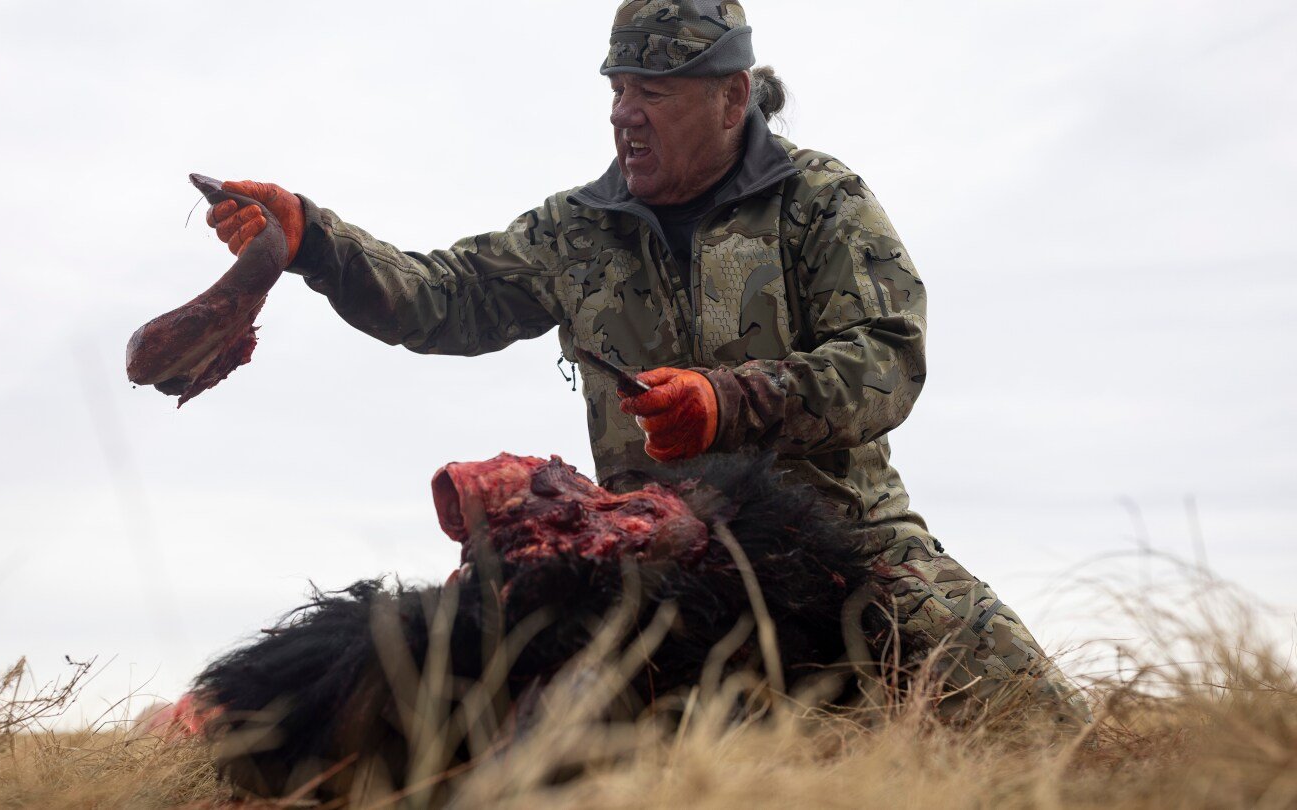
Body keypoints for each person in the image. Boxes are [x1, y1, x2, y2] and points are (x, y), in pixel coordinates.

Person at [205, 0, 1091, 730]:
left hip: (845, 542)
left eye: (654, 92)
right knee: (440, 696)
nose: (625, 112)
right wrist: (313, 240)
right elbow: (444, 300)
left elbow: (890, 359)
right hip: (645, 554)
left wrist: (732, 401)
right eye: (618, 89)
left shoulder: (822, 201)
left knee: (1040, 723)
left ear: (732, 95)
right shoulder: (573, 228)